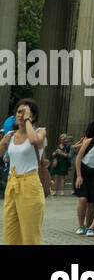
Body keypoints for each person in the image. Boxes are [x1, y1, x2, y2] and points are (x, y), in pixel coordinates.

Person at [1, 99, 47, 244]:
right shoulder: (11, 135)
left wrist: (27, 121)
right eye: (19, 112)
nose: (21, 115)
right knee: (10, 231)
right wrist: (4, 140)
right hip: (12, 184)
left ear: (33, 116)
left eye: (26, 112)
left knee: (30, 234)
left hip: (30, 184)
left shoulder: (40, 131)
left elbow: (34, 141)